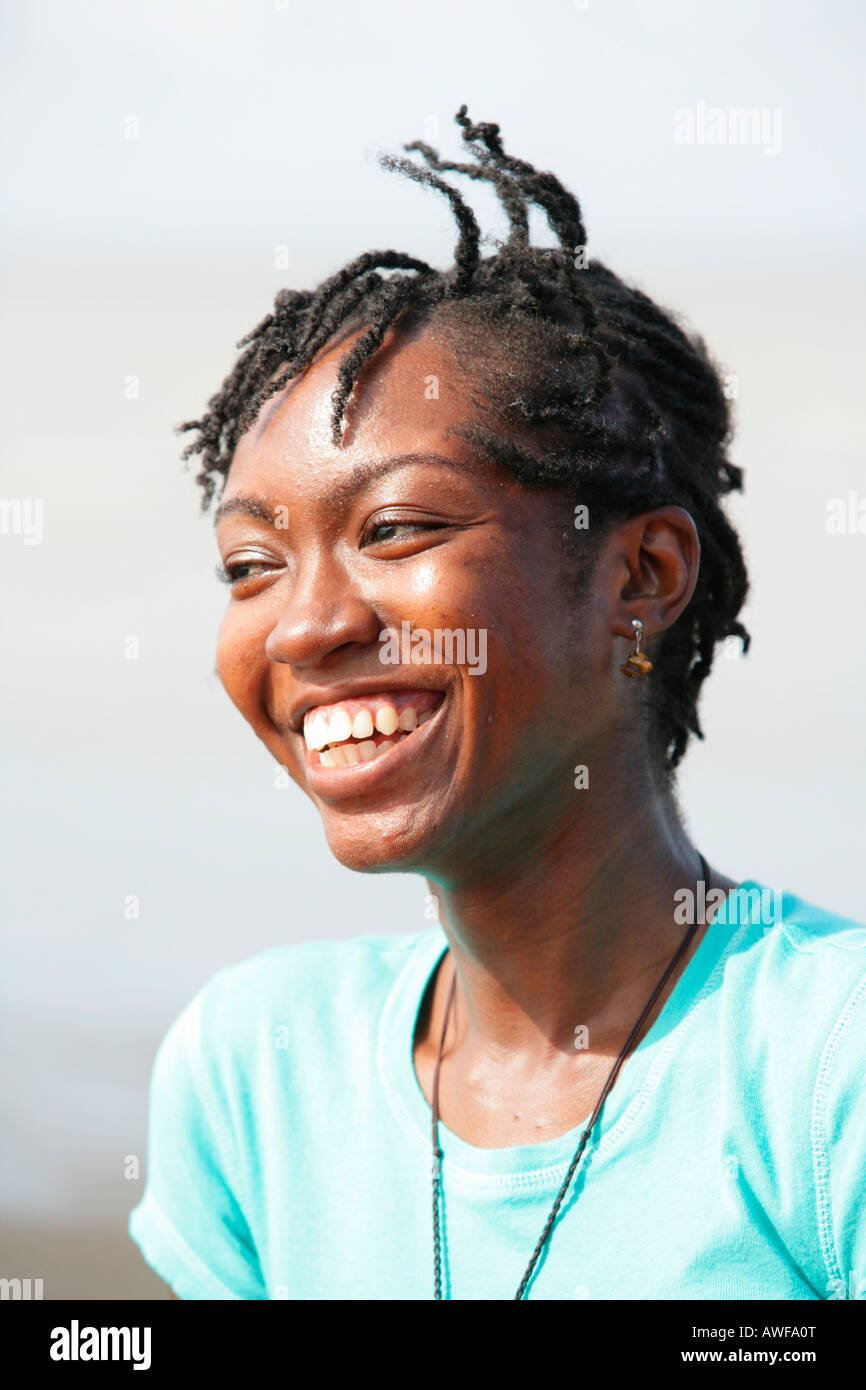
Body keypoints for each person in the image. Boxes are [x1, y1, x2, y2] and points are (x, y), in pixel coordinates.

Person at [129, 106, 866, 1301]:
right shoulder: (257, 1073)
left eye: (397, 528)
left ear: (640, 577)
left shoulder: (824, 1071)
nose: (308, 625)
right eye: (250, 565)